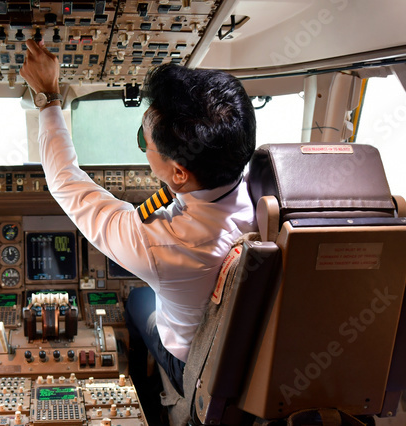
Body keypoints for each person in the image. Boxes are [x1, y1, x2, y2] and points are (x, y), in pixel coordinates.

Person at [20, 40, 257, 395]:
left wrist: (48, 97)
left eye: (142, 142)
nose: (144, 148)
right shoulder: (271, 189)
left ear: (178, 173)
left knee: (135, 299)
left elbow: (65, 182)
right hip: (251, 353)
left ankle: (152, 390)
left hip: (196, 369)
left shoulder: (159, 246)